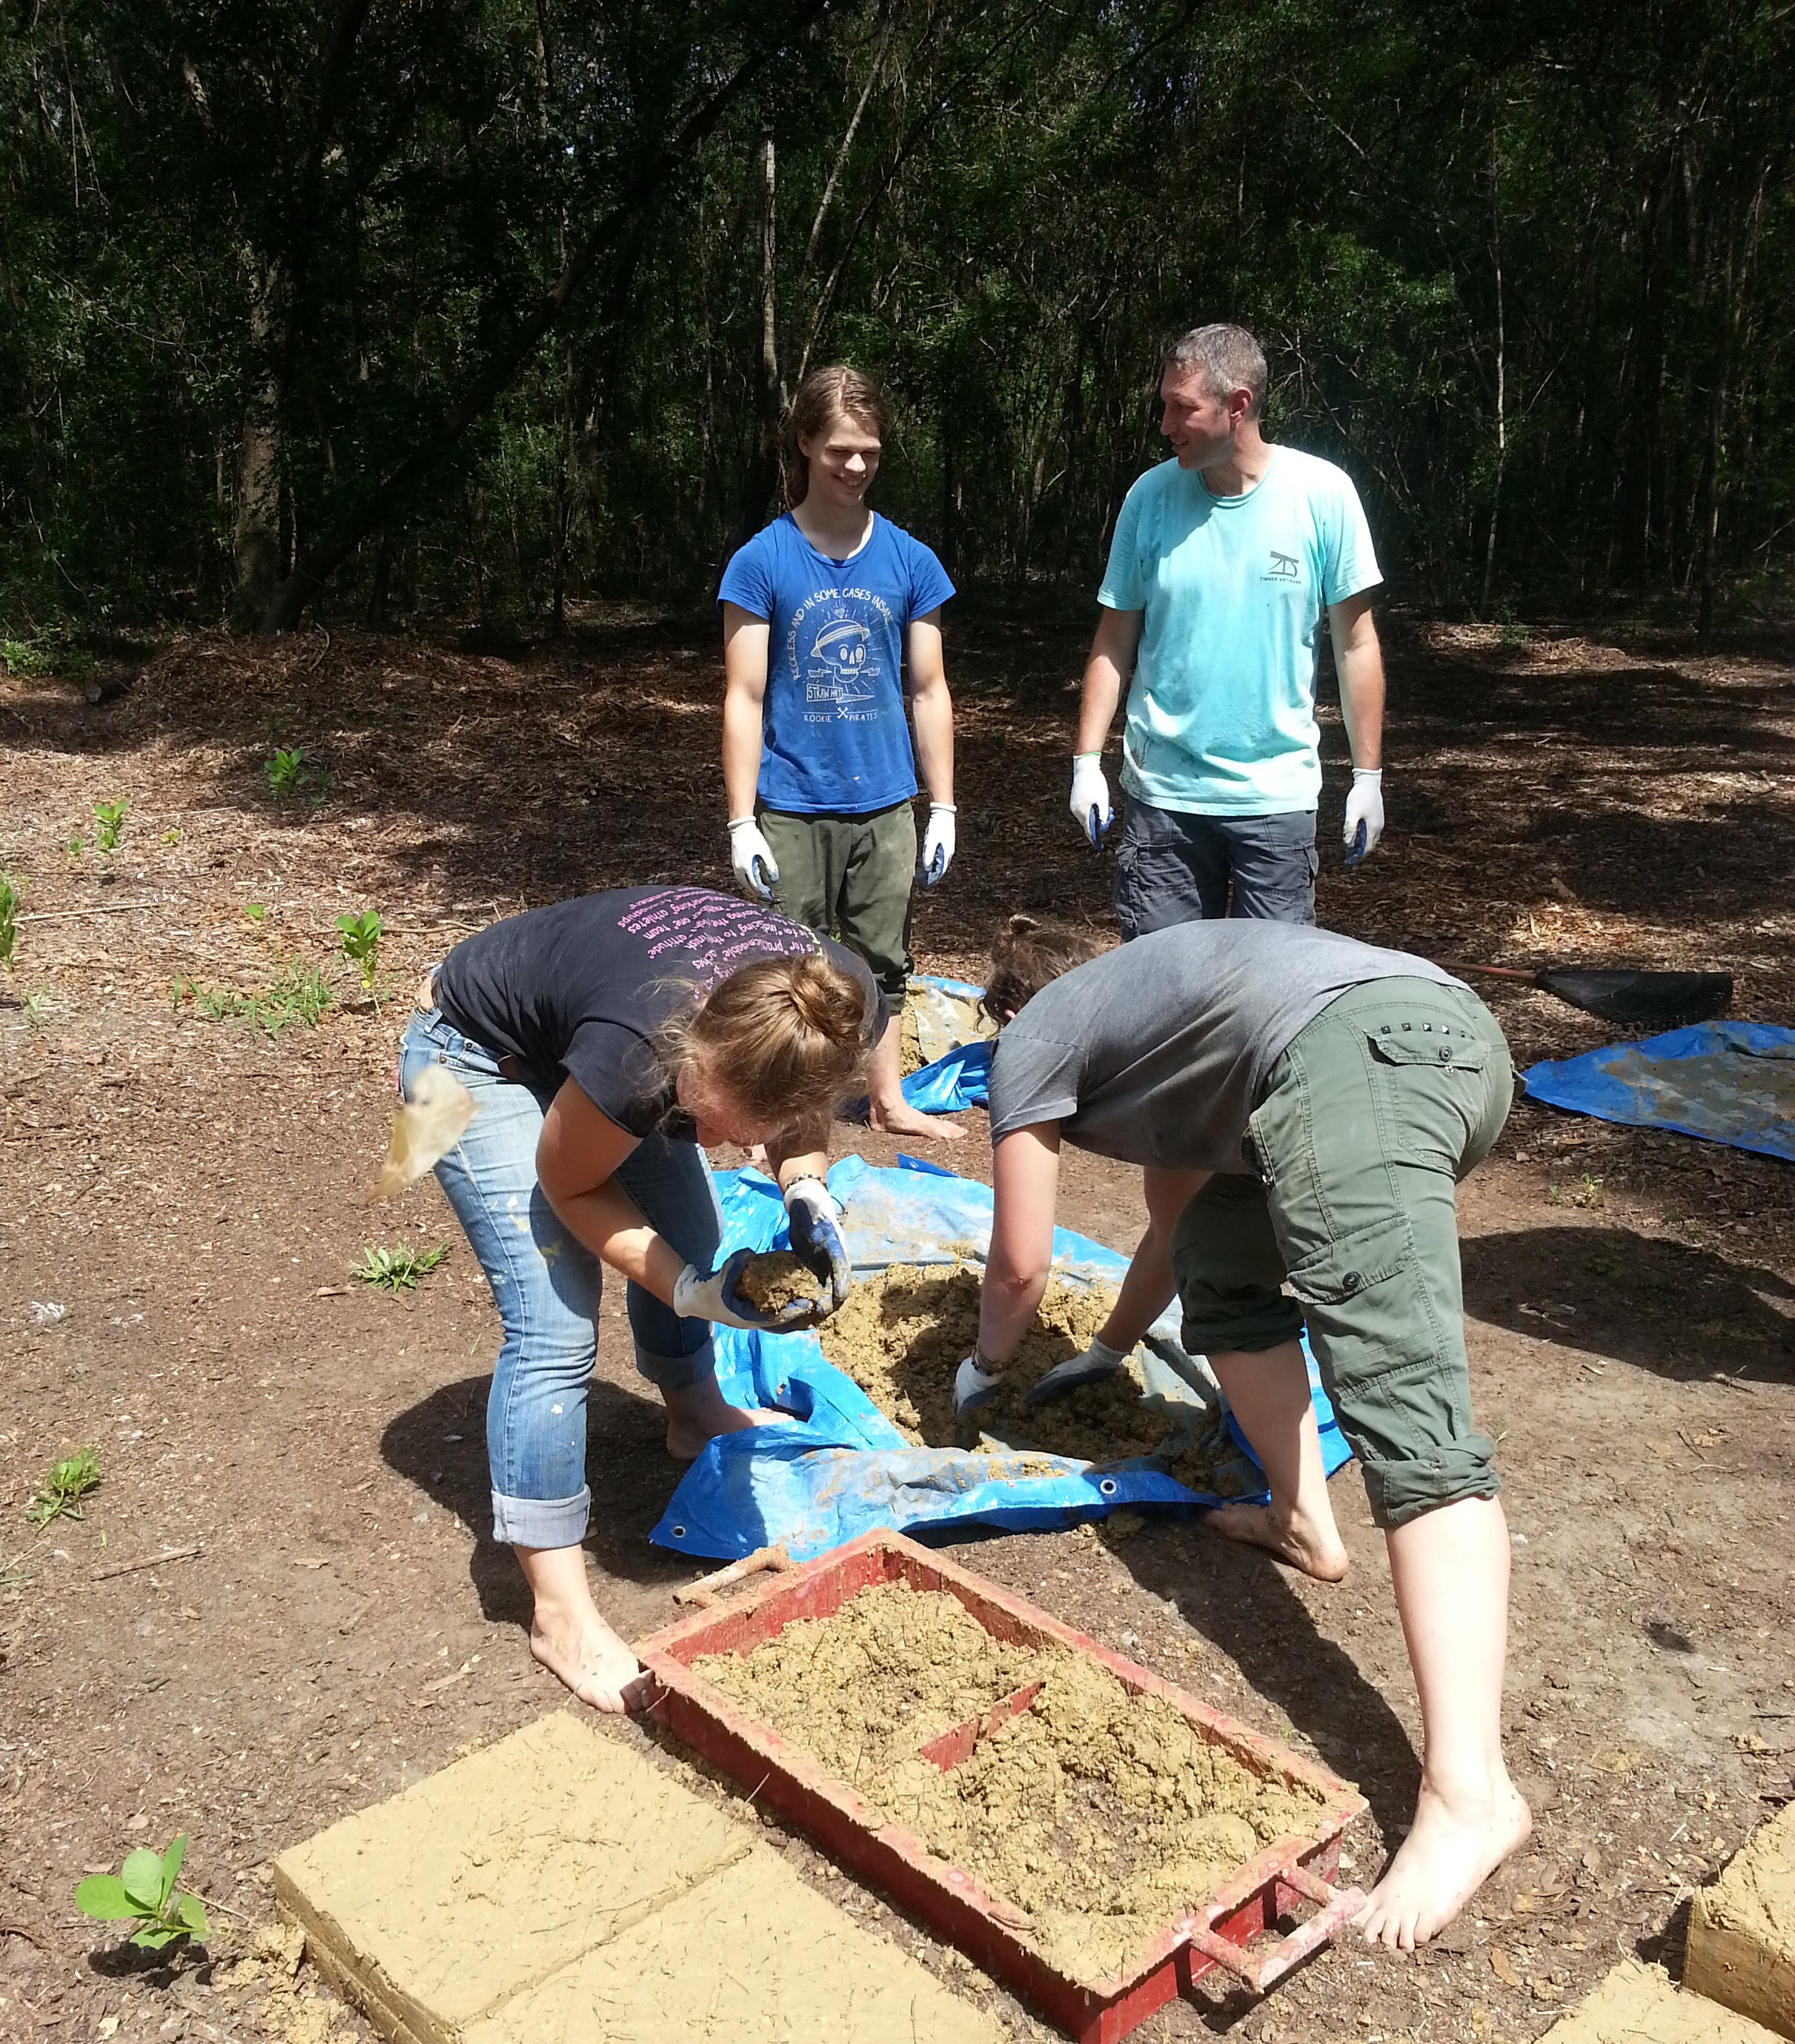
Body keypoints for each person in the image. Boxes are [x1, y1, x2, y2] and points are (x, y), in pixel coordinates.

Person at [957, 913, 1529, 1952]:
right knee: (1229, 1246)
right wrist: (1112, 1346)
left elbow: (1020, 1265)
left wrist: (987, 1365)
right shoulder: (1164, 1018)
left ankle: (1470, 1792)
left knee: (1411, 1415)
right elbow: (1180, 1233)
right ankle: (1305, 1517)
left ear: (1004, 1014)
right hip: (1441, 1034)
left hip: (1359, 1057)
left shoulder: (1031, 1040)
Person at [399, 884, 883, 1713]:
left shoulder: (838, 999)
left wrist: (807, 1188)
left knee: (691, 1228)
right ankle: (557, 1613)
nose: (734, 1149)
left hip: (595, 1056)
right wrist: (692, 1294)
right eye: (720, 1123)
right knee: (553, 1319)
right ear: (693, 1062)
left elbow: (795, 1110)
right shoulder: (638, 1058)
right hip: (462, 1059)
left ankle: (693, 1413)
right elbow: (572, 1184)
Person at [1068, 323, 1387, 935]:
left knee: (1273, 1000)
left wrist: (1368, 778)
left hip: (1276, 801)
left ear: (1238, 405)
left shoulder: (1323, 496)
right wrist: (1086, 761)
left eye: (1181, 407)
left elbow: (1356, 644)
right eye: (1164, 404)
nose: (1165, 424)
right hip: (1164, 802)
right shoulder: (1149, 498)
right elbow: (1113, 640)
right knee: (1165, 1002)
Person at [720, 362, 959, 1142]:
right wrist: (740, 819)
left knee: (883, 962)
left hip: (885, 801)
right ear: (804, 444)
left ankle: (888, 1101)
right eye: (840, 451)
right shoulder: (763, 562)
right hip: (791, 802)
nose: (856, 467)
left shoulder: (910, 562)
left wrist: (944, 804)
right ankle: (793, 1119)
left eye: (870, 452)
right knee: (791, 969)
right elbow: (745, 697)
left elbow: (928, 690)